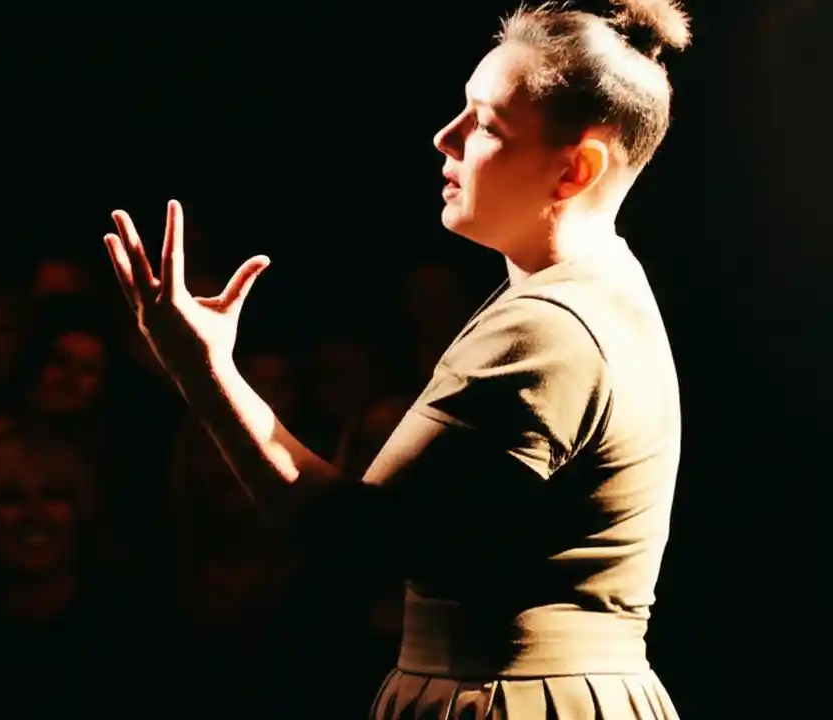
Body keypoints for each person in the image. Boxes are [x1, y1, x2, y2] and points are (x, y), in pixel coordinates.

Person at [101, 0, 691, 717]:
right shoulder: (602, 289)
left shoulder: (550, 326)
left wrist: (204, 371)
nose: (445, 137)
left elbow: (351, 546)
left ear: (574, 170)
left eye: (486, 124)